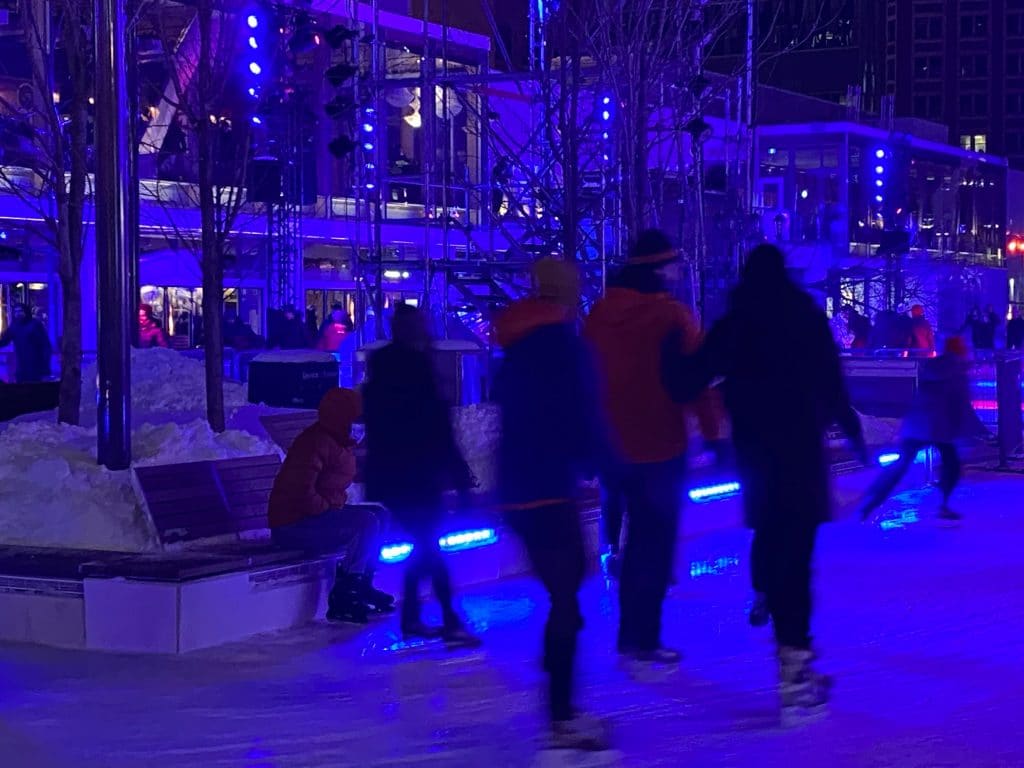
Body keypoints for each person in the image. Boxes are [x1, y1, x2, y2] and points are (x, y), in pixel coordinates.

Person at [663, 244, 866, 724]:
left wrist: (671, 354)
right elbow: (832, 383)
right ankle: (795, 667)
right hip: (800, 453)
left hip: (758, 456)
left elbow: (690, 377)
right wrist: (852, 433)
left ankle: (790, 657)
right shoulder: (805, 316)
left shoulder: (738, 321)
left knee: (774, 546)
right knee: (796, 559)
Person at [584, 229, 719, 667]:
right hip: (660, 444)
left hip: (614, 445)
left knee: (632, 541)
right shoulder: (672, 317)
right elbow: (696, 382)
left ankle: (629, 634)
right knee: (654, 544)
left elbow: (587, 381)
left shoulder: (600, 315)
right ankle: (646, 638)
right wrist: (715, 435)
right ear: (659, 269)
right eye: (674, 265)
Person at [495, 259, 611, 751]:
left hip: (517, 487)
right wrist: (603, 461)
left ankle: (556, 674)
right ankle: (561, 716)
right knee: (566, 595)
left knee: (568, 584)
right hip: (548, 486)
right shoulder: (567, 346)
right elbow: (582, 411)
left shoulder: (517, 345)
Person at [363, 303, 479, 646]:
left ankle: (414, 615)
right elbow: (438, 429)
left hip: (394, 476)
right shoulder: (417, 369)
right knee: (428, 543)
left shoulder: (382, 371)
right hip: (417, 474)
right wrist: (460, 480)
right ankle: (448, 618)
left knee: (424, 542)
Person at [268, 387, 393, 623]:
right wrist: (328, 508)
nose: (360, 427)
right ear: (341, 418)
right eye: (356, 420)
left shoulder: (341, 443)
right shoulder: (315, 442)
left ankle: (362, 583)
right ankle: (345, 593)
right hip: (293, 524)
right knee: (366, 522)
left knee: (380, 515)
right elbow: (301, 491)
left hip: (316, 515)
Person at [857, 336, 976, 523]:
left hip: (918, 424)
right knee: (951, 465)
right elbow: (959, 404)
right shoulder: (958, 372)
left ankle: (872, 499)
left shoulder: (934, 366)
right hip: (941, 426)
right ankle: (944, 504)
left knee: (901, 465)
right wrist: (963, 432)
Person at [0, 303, 51, 382]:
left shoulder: (35, 324)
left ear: (26, 311)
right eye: (16, 311)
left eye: (20, 311)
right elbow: (5, 340)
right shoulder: (14, 326)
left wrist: (45, 364)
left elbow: (45, 344)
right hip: (21, 365)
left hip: (35, 364)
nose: (18, 313)